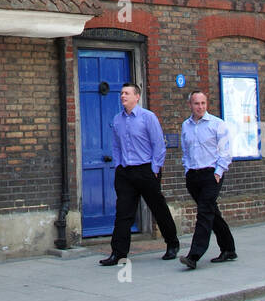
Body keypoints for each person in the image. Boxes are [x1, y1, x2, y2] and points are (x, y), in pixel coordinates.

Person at [99, 82, 181, 266]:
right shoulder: (117, 120)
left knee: (158, 208)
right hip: (125, 173)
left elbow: (159, 145)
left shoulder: (148, 117)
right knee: (123, 213)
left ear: (137, 96)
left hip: (146, 170)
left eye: (127, 93)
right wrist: (119, 165)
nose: (123, 96)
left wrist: (154, 169)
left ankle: (172, 243)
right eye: (121, 93)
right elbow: (116, 146)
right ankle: (118, 253)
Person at [178, 90, 237, 270]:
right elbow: (186, 151)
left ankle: (194, 255)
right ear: (190, 105)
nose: (200, 107)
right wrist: (187, 170)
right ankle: (229, 249)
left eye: (203, 103)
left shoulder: (217, 124)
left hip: (212, 174)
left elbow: (226, 152)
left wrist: (218, 172)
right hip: (194, 176)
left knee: (204, 213)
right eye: (197, 104)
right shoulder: (186, 126)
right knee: (211, 211)